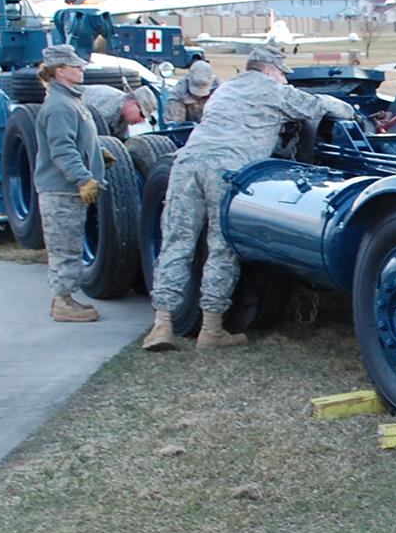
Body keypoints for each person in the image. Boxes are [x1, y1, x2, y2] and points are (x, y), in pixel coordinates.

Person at [143, 43, 360, 351]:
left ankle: (162, 324)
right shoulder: (275, 91)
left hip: (187, 163)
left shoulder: (223, 90)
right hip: (227, 170)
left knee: (177, 242)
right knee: (222, 247)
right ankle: (211, 329)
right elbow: (320, 106)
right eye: (283, 74)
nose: (285, 80)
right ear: (269, 71)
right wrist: (351, 110)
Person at [33, 44, 108, 323]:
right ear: (60, 72)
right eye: (75, 66)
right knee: (64, 247)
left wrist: (97, 156)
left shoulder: (69, 100)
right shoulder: (59, 105)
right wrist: (83, 178)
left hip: (67, 190)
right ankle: (62, 302)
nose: (81, 69)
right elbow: (62, 150)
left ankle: (65, 299)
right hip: (61, 191)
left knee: (70, 245)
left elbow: (77, 140)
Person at [81, 82, 157, 140]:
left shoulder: (124, 115)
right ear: (133, 103)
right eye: (142, 114)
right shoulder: (106, 109)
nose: (142, 120)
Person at [163, 58, 219, 124]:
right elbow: (175, 123)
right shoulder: (179, 92)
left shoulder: (220, 91)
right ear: (188, 80)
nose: (199, 95)